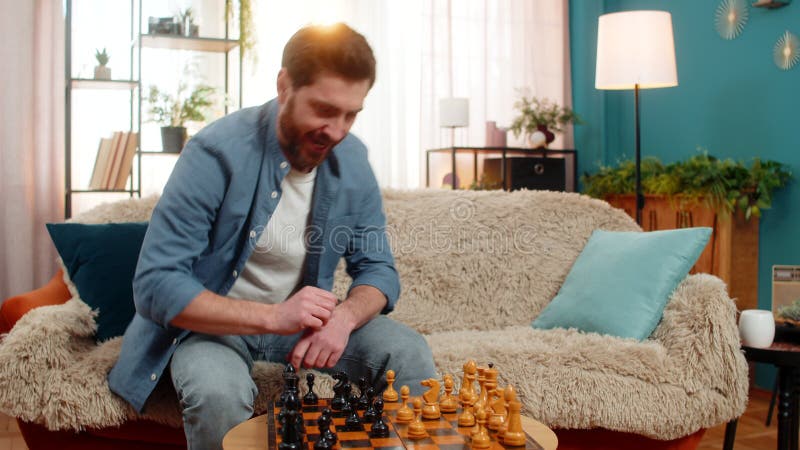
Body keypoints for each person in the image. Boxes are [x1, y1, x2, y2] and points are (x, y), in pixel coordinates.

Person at [108, 23, 437, 449]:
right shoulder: (215, 152)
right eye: (323, 109)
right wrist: (273, 317)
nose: (337, 130)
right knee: (216, 393)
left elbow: (378, 271)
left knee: (408, 351)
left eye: (351, 114)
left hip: (304, 330)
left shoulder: (352, 159)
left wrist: (344, 318)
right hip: (213, 331)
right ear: (284, 86)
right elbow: (156, 286)